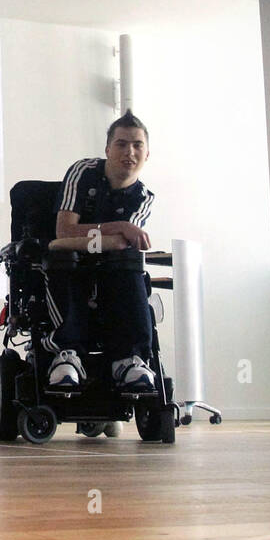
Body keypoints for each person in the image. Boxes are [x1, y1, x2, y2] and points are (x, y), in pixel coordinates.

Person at [42, 110, 157, 393]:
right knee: (63, 255)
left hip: (114, 272)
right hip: (69, 265)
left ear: (147, 154)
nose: (129, 152)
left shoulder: (144, 197)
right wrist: (119, 227)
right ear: (107, 149)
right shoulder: (83, 172)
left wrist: (98, 237)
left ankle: (129, 360)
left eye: (137, 145)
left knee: (129, 260)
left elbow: (120, 245)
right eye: (121, 144)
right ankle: (68, 354)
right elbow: (63, 232)